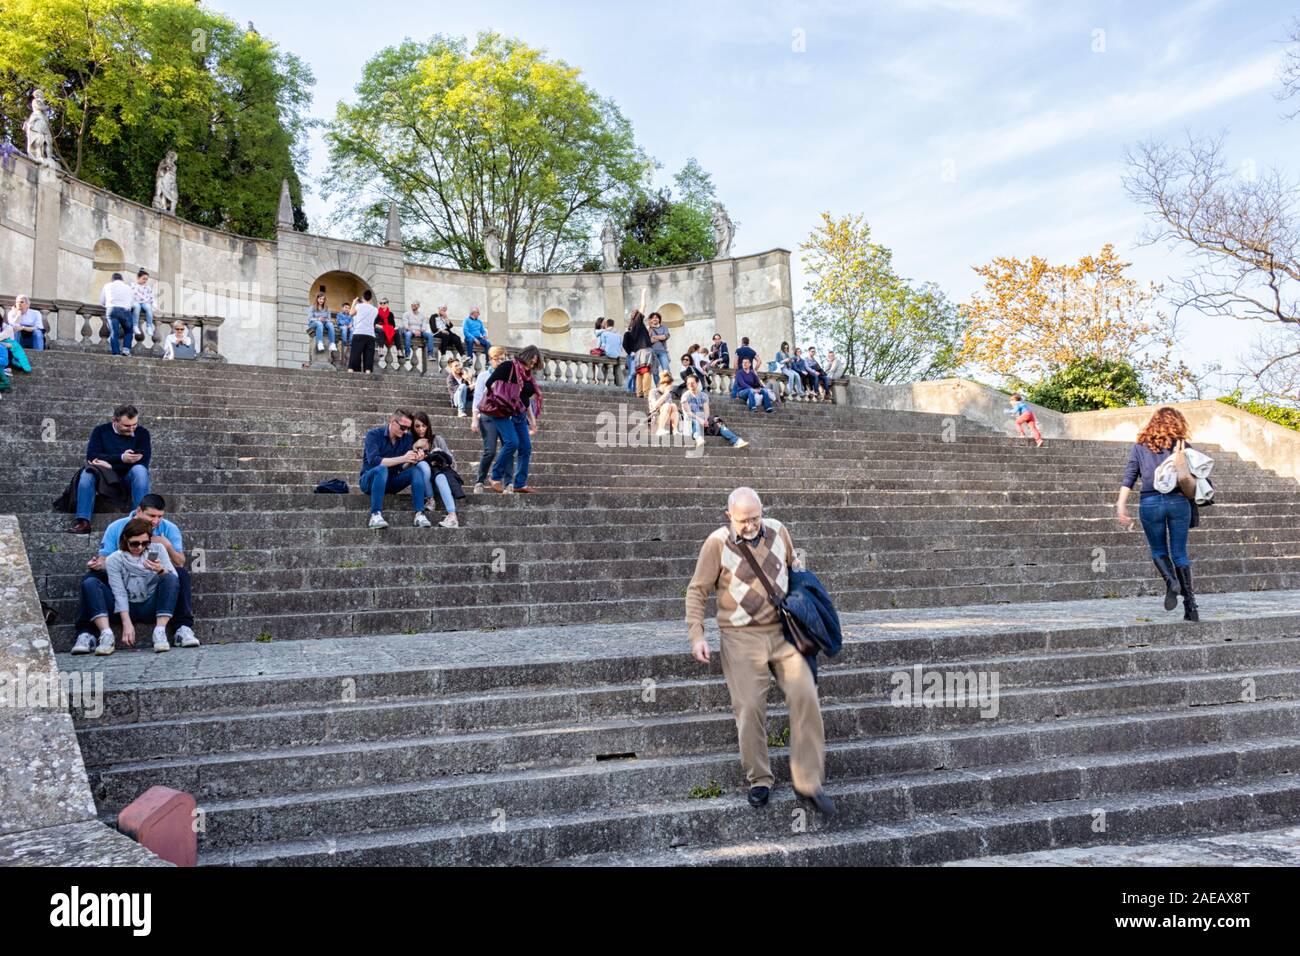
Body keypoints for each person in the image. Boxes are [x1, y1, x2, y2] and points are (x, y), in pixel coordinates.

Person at [685, 487, 833, 815]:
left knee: (806, 694)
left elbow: (795, 570)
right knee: (749, 706)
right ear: (729, 517)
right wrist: (697, 635)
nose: (751, 525)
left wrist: (806, 607)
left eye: (755, 518)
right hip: (740, 638)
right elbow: (697, 591)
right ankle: (760, 779)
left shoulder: (779, 530)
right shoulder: (716, 543)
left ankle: (808, 782)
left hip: (783, 633)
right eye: (743, 520)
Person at [73, 494, 199, 653]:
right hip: (121, 582)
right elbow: (106, 559)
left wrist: (166, 546)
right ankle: (86, 632)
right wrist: (98, 564)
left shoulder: (168, 529)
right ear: (139, 511)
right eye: (151, 516)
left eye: (160, 516)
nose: (156, 521)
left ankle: (182, 627)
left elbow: (179, 562)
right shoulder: (116, 527)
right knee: (91, 578)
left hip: (153, 590)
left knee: (179, 574)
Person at [1116, 407, 1200, 622]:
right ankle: (1191, 608)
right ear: (1178, 423)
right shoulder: (1182, 445)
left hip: (1150, 502)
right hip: (1178, 501)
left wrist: (1121, 504)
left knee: (1158, 550)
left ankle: (1171, 581)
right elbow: (1195, 475)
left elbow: (1129, 477)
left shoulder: (1139, 446)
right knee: (1180, 553)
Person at [68, 404, 151, 535]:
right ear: (114, 420)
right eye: (127, 426)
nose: (131, 429)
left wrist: (111, 464)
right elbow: (92, 457)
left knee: (140, 471)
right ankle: (83, 521)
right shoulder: (100, 431)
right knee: (87, 473)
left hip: (128, 478)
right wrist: (121, 458)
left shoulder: (142, 433)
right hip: (104, 477)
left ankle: (140, 521)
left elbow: (144, 461)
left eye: (134, 424)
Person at [486, 345, 543, 494]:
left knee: (526, 447)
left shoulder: (528, 375)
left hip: (519, 415)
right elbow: (490, 383)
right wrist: (502, 398)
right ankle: (495, 476)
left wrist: (532, 420)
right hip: (503, 412)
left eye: (536, 361)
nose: (533, 363)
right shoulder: (508, 366)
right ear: (526, 355)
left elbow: (525, 400)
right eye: (532, 359)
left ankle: (519, 483)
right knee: (512, 443)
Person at [360, 409, 430, 529]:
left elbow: (402, 467)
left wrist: (412, 460)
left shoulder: (406, 438)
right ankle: (375, 515)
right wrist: (403, 458)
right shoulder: (374, 435)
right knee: (382, 469)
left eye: (408, 428)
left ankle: (420, 514)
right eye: (403, 428)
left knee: (416, 470)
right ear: (392, 422)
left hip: (392, 481)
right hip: (370, 481)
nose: (406, 431)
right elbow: (375, 462)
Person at [410, 412, 462, 528]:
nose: (421, 429)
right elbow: (407, 469)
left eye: (424, 426)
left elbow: (452, 463)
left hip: (440, 481)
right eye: (417, 426)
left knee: (441, 476)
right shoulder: (410, 442)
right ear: (413, 427)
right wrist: (415, 448)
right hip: (423, 484)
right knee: (424, 465)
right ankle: (430, 499)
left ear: (428, 426)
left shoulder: (437, 439)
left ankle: (452, 516)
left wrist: (439, 456)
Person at [471, 346, 509, 494]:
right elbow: (477, 398)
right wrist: (474, 419)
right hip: (488, 417)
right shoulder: (484, 375)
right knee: (490, 451)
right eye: (497, 359)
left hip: (504, 416)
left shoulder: (508, 376)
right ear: (490, 360)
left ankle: (507, 482)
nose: (500, 362)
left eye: (503, 359)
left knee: (508, 448)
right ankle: (480, 481)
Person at [681, 375, 748, 449]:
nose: (690, 385)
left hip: (703, 422)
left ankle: (736, 440)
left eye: (692, 383)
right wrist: (700, 420)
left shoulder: (703, 395)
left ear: (697, 383)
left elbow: (706, 411)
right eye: (688, 383)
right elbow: (689, 413)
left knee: (717, 421)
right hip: (691, 421)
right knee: (694, 421)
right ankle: (698, 438)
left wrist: (706, 420)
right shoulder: (685, 396)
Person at [100, 273, 136, 356]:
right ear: (122, 280)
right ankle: (126, 350)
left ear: (112, 279)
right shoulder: (128, 288)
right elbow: (132, 303)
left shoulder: (107, 286)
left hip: (111, 310)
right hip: (125, 310)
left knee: (113, 333)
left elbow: (102, 301)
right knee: (129, 331)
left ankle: (116, 353)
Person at [347, 291, 379, 374]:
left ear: (362, 297)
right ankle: (368, 372)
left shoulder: (358, 306)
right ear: (371, 298)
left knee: (355, 353)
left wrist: (353, 303)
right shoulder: (375, 310)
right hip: (370, 335)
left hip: (359, 332)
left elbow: (350, 313)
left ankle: (351, 370)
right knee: (368, 356)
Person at [623, 310, 652, 394]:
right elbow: (624, 345)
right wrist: (630, 352)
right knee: (638, 372)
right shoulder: (629, 333)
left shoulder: (637, 332)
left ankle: (637, 391)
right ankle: (633, 390)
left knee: (638, 372)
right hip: (635, 354)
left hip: (638, 352)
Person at [0, 308, 33, 376]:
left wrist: (4, 344)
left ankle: (5, 368)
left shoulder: (7, 328)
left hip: (10, 354)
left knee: (4, 347)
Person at [648, 371, 681, 436]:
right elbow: (654, 406)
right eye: (670, 386)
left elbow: (671, 408)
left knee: (673, 405)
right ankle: (660, 429)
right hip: (655, 415)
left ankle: (675, 430)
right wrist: (665, 394)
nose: (671, 388)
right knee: (667, 405)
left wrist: (667, 394)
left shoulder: (668, 394)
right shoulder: (653, 391)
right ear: (665, 385)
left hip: (667, 415)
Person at [132, 269, 157, 346]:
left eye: (146, 279)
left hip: (145, 302)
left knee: (148, 308)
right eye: (143, 279)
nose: (145, 281)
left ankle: (149, 326)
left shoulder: (148, 287)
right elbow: (131, 295)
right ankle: (135, 325)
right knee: (137, 307)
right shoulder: (133, 286)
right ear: (138, 278)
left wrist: (154, 304)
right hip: (136, 302)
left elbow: (151, 297)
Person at [648, 312, 673, 377]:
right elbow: (649, 341)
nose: (654, 319)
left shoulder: (664, 327)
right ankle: (658, 386)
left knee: (666, 370)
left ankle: (667, 386)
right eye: (652, 318)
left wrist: (655, 337)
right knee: (655, 372)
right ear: (650, 320)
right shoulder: (649, 329)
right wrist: (661, 337)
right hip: (652, 352)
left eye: (656, 317)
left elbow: (666, 336)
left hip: (663, 351)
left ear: (659, 319)